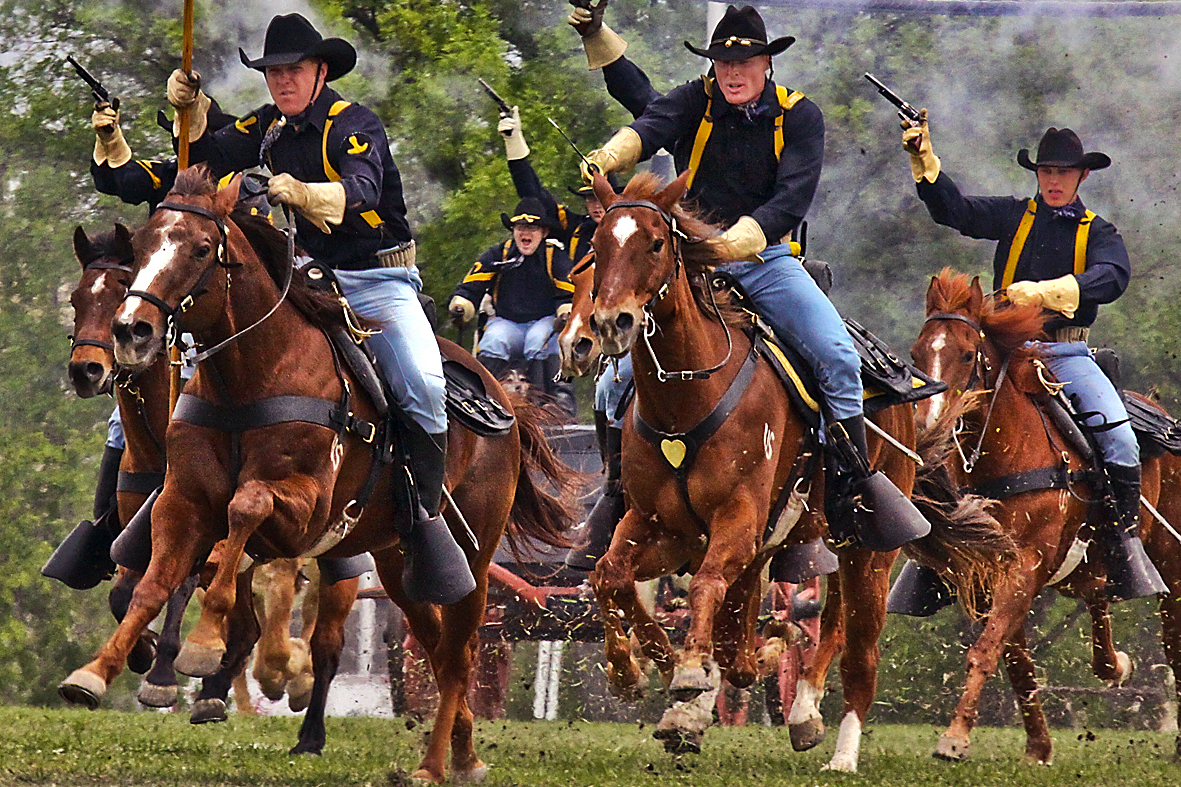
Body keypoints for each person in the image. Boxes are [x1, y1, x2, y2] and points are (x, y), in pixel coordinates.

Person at [578, 4, 929, 552]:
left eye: (746, 61)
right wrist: (607, 157)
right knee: (611, 381)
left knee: (836, 358)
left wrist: (732, 243)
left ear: (767, 63)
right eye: (723, 62)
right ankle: (616, 493)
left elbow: (790, 201)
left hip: (768, 262)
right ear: (713, 66)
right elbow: (648, 124)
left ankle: (852, 491)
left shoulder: (800, 116)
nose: (733, 72)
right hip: (690, 267)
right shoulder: (696, 97)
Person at [166, 12, 473, 604]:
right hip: (307, 278)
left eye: (293, 70)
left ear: (320, 70)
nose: (282, 81)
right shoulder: (270, 126)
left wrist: (302, 192)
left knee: (422, 387)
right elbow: (209, 155)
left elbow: (362, 189)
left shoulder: (353, 124)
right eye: (273, 72)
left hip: (378, 278)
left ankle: (424, 518)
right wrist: (192, 108)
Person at [902, 118, 1165, 600]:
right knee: (937, 428)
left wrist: (1045, 291)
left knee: (1120, 439)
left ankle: (1124, 547)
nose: (1054, 181)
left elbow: (1113, 277)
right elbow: (955, 210)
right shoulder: (1015, 215)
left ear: (1082, 177)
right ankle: (931, 559)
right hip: (1004, 354)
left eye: (1064, 173)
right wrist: (924, 159)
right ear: (1037, 174)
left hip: (1066, 351)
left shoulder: (1098, 231)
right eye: (1047, 172)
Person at [447, 198, 574, 408]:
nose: (526, 233)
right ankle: (486, 402)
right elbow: (471, 286)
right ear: (513, 230)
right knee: (493, 340)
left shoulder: (554, 256)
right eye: (520, 227)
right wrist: (462, 305)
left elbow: (568, 295)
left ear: (543, 232)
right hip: (507, 322)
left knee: (538, 341)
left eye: (532, 228)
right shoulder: (500, 254)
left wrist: (565, 314)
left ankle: (548, 405)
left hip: (544, 322)